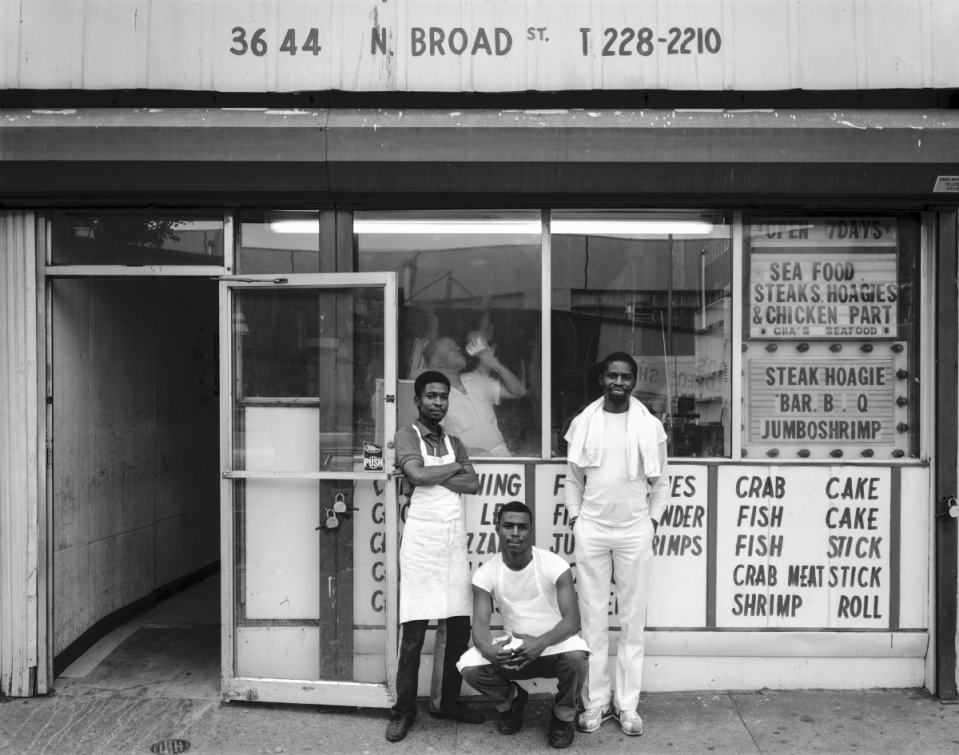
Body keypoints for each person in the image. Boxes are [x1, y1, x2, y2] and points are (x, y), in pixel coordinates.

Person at [563, 352, 669, 737]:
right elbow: (573, 479)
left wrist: (651, 523)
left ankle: (627, 706)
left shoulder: (650, 426)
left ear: (634, 381)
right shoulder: (583, 423)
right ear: (602, 380)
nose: (619, 382)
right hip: (592, 528)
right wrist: (576, 520)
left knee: (631, 622)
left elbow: (662, 484)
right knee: (592, 619)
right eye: (612, 375)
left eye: (626, 376)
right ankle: (595, 704)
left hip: (634, 531)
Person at [386, 370, 486, 742]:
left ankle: (445, 703)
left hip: (452, 544)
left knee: (456, 629)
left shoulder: (455, 441)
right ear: (417, 401)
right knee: (413, 633)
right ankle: (402, 711)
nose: (438, 402)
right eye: (431, 396)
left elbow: (472, 484)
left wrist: (432, 473)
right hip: (421, 545)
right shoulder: (406, 436)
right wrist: (449, 469)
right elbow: (415, 473)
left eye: (443, 396)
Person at [457, 501, 589, 749]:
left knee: (577, 656)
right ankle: (512, 700)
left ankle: (562, 716)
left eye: (522, 527)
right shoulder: (486, 573)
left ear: (531, 531)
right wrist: (489, 651)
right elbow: (480, 627)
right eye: (508, 526)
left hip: (553, 645)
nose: (515, 532)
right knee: (470, 667)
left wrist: (540, 643)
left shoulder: (552, 564)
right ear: (497, 528)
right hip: (516, 650)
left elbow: (572, 621)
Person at [423, 336, 526, 457]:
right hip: (469, 463)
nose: (457, 349)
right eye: (449, 347)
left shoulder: (476, 379)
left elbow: (519, 392)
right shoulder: (433, 396)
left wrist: (495, 364)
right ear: (438, 362)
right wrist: (473, 452)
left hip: (502, 457)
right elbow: (435, 440)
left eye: (456, 345)